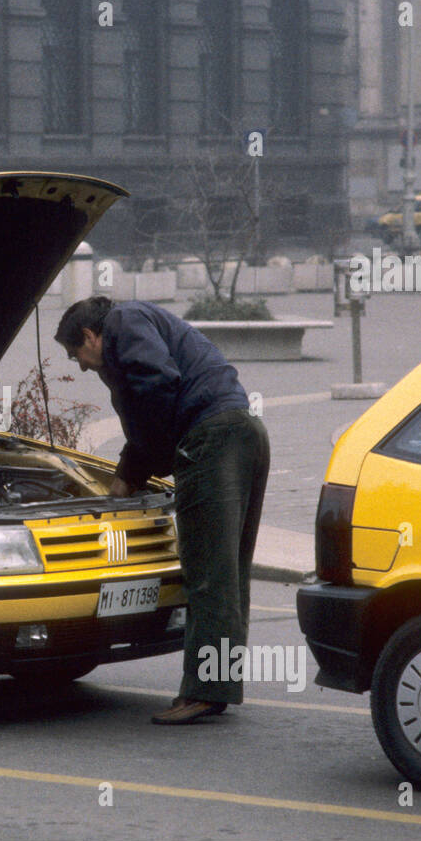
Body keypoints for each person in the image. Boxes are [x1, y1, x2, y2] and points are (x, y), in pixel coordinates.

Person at [55, 296, 269, 725]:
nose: (79, 365)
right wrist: (133, 468)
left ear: (90, 336)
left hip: (211, 438)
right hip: (243, 432)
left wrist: (131, 471)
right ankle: (217, 685)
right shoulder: (139, 320)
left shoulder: (123, 322)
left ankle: (204, 692)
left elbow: (155, 386)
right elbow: (154, 396)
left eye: (75, 353)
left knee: (208, 572)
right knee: (228, 571)